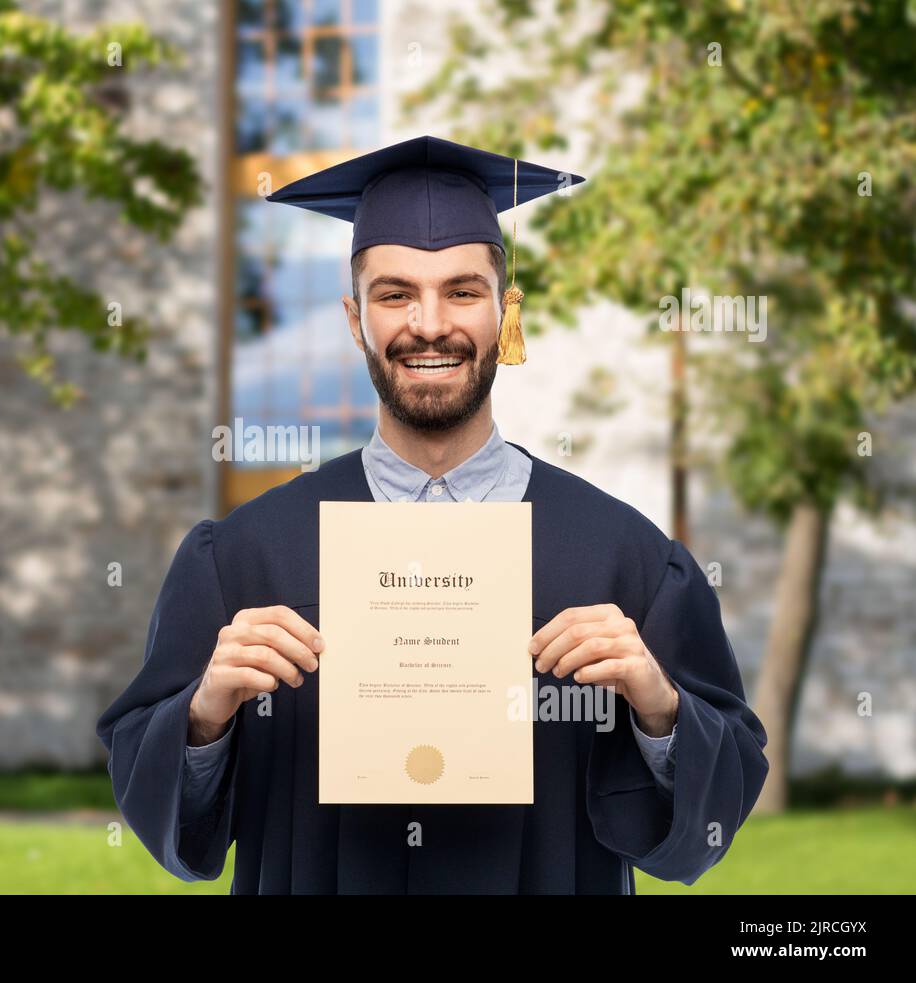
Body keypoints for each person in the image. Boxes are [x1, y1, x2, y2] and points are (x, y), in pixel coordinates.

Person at [96, 135, 769, 894]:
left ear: (505, 310)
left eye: (462, 290)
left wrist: (660, 711)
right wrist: (202, 719)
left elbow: (716, 812)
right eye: (395, 294)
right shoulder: (248, 556)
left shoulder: (621, 555)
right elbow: (161, 811)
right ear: (355, 319)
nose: (428, 323)